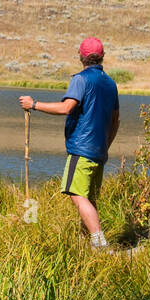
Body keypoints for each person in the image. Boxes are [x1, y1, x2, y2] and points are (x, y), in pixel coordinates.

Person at [19, 36, 119, 249]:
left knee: (76, 194)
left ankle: (99, 243)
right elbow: (115, 120)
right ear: (102, 57)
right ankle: (88, 247)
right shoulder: (110, 84)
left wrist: (33, 104)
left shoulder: (81, 79)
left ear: (81, 56)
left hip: (81, 150)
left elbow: (66, 108)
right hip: (100, 152)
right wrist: (106, 146)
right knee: (90, 200)